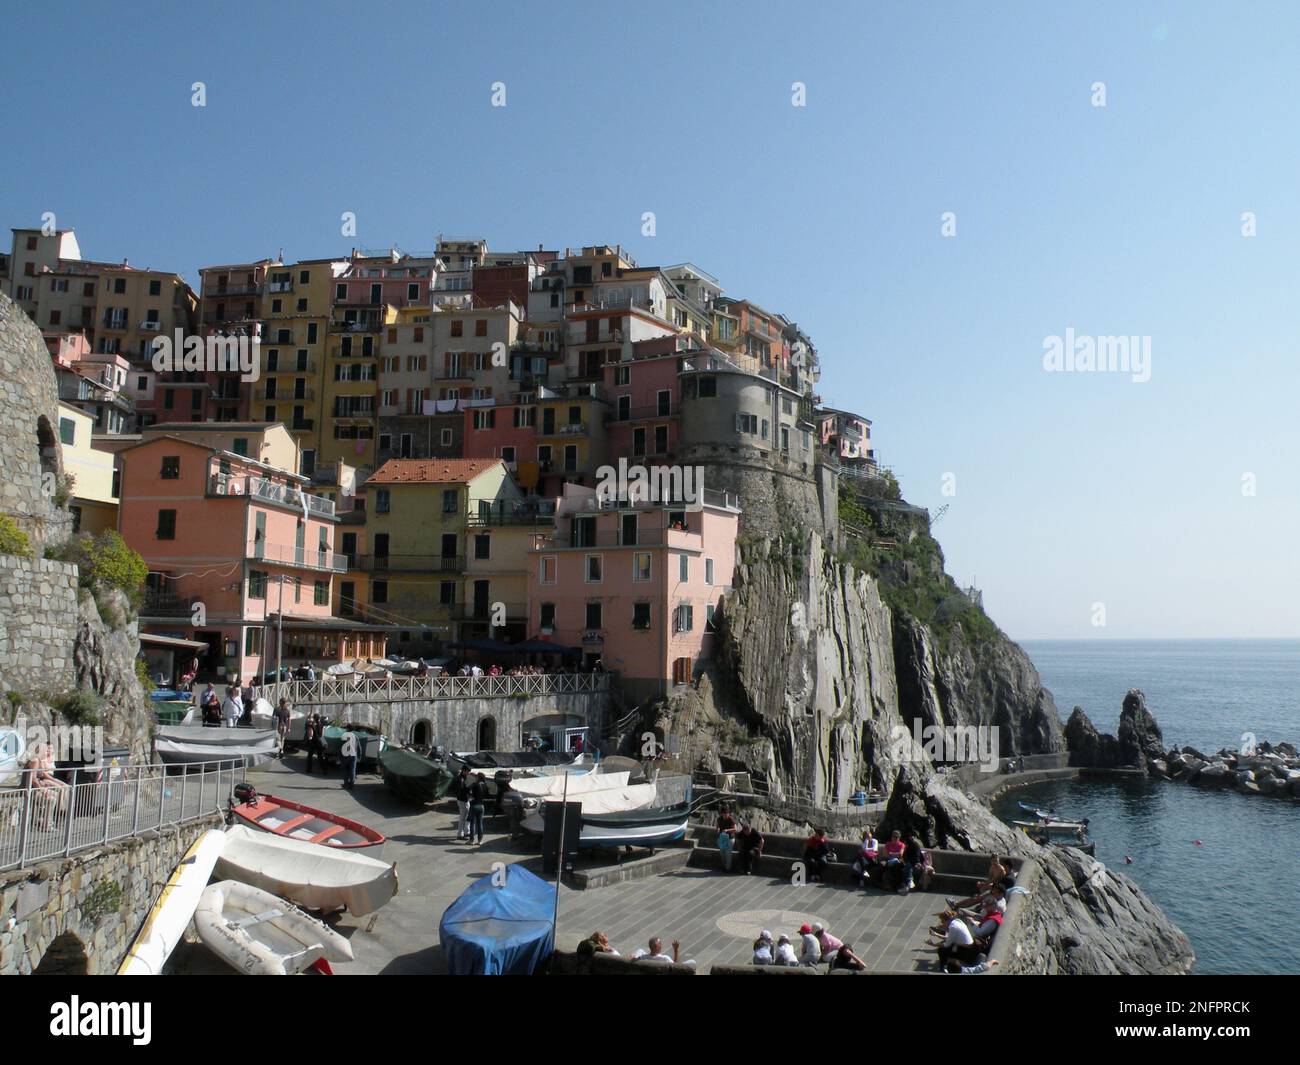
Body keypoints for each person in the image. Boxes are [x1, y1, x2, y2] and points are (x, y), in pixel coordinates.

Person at [467, 772, 488, 845]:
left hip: (474, 805)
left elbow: (468, 789)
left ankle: (471, 840)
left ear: (478, 777)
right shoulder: (485, 785)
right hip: (481, 806)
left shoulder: (475, 784)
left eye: (476, 777)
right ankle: (480, 840)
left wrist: (471, 797)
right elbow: (487, 794)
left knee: (472, 823)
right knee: (480, 824)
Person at [453, 765, 473, 840]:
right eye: (467, 771)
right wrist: (469, 788)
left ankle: (465, 832)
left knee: (466, 817)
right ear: (464, 771)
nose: (468, 773)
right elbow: (461, 790)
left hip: (463, 799)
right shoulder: (461, 779)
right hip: (463, 800)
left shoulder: (462, 778)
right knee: (463, 817)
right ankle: (461, 834)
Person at [716, 803, 737, 872]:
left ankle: (728, 868)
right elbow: (718, 826)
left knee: (728, 853)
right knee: (722, 852)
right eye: (724, 813)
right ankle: (724, 865)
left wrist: (727, 830)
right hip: (722, 837)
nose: (725, 815)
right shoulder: (719, 819)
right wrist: (718, 829)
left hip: (730, 838)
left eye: (727, 813)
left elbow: (735, 829)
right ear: (722, 813)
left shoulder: (731, 819)